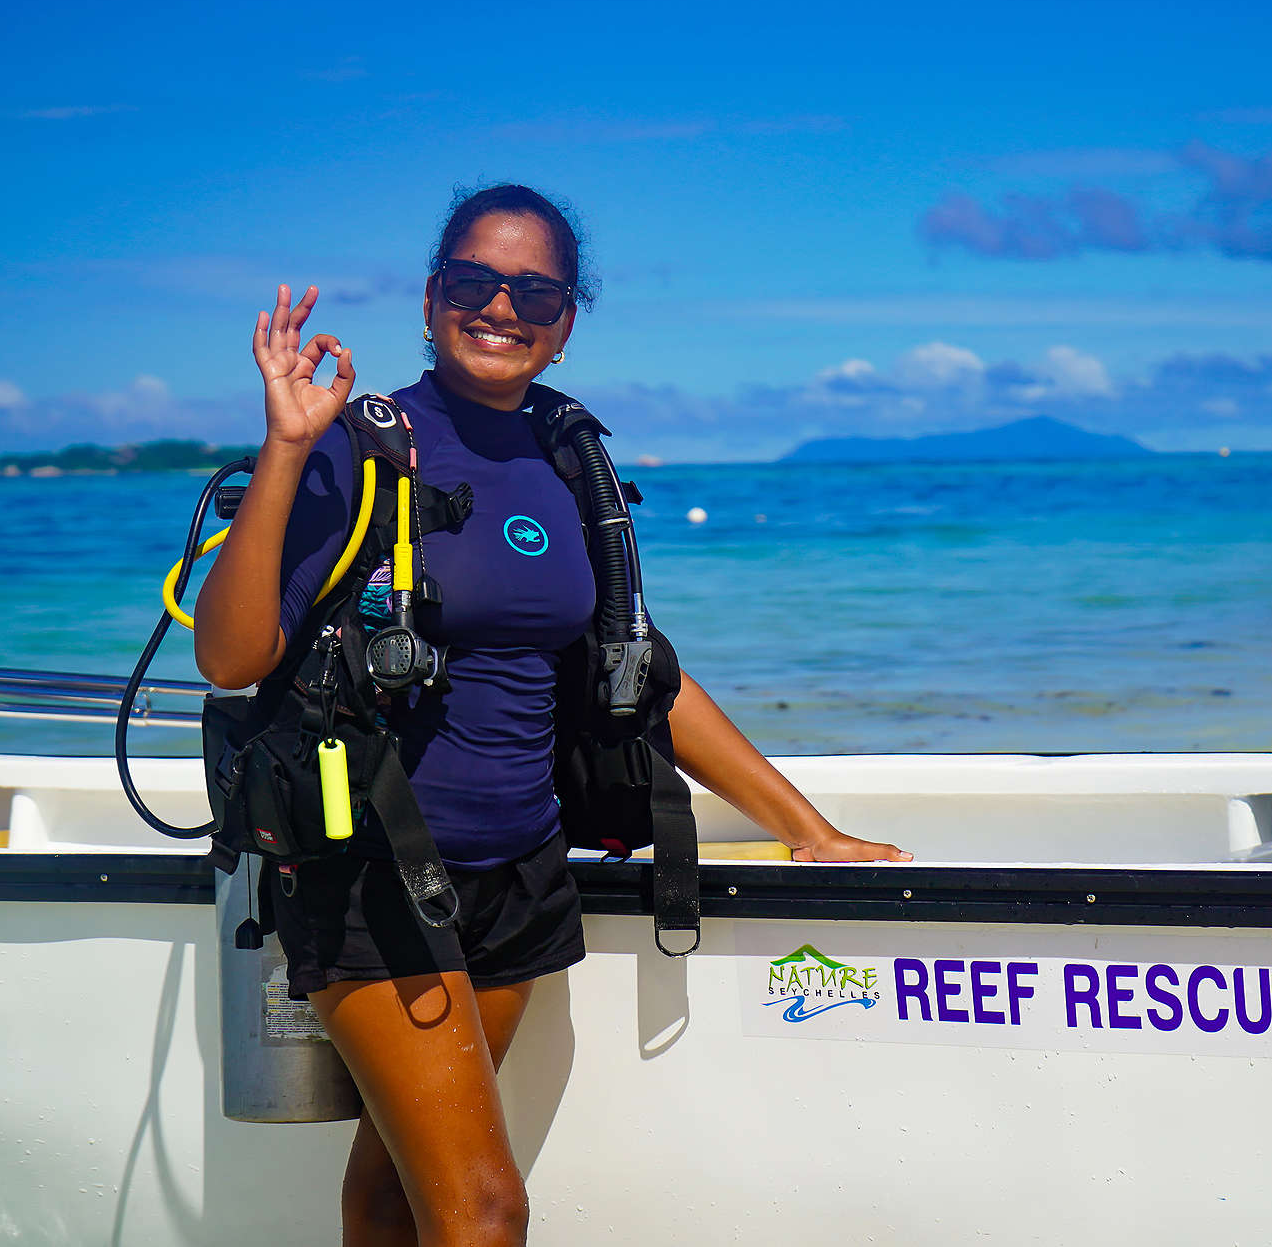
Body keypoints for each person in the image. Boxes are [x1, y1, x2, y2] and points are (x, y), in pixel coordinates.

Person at [193, 183, 909, 1247]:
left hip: (520, 874)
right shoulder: (355, 443)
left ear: (566, 320)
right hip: (375, 874)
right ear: (433, 296)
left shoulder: (568, 459)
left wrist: (803, 822)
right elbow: (229, 654)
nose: (501, 306)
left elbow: (639, 672)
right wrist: (288, 449)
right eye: (475, 281)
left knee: (398, 1191)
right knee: (486, 1211)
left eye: (534, 289)